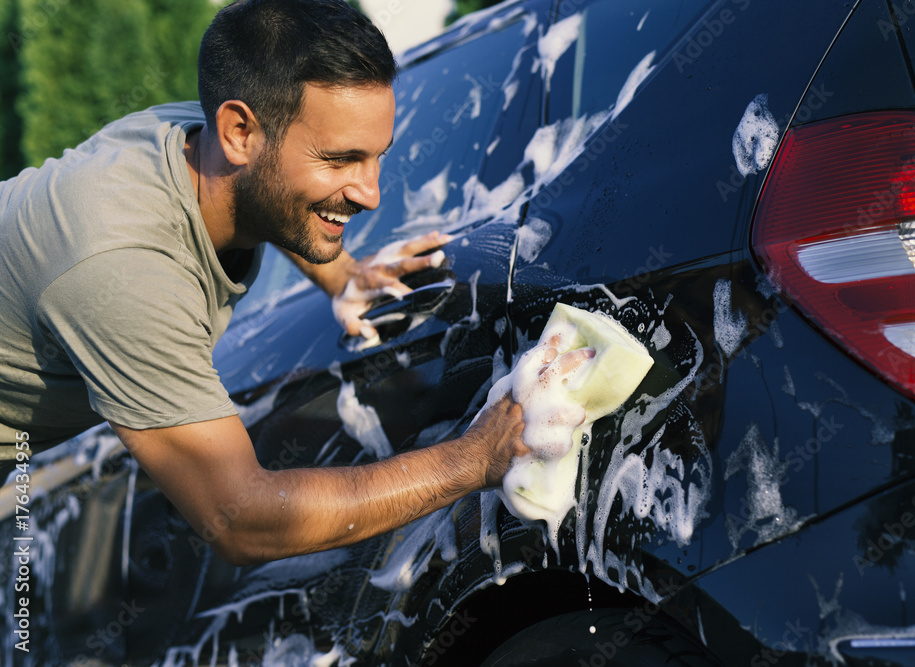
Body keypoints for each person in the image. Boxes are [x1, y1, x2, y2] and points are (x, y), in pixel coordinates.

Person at [0, 0, 588, 565]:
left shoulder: (199, 138)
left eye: (377, 156)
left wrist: (343, 275)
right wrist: (473, 459)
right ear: (237, 132)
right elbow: (239, 519)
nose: (371, 193)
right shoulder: (123, 270)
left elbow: (263, 189)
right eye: (339, 160)